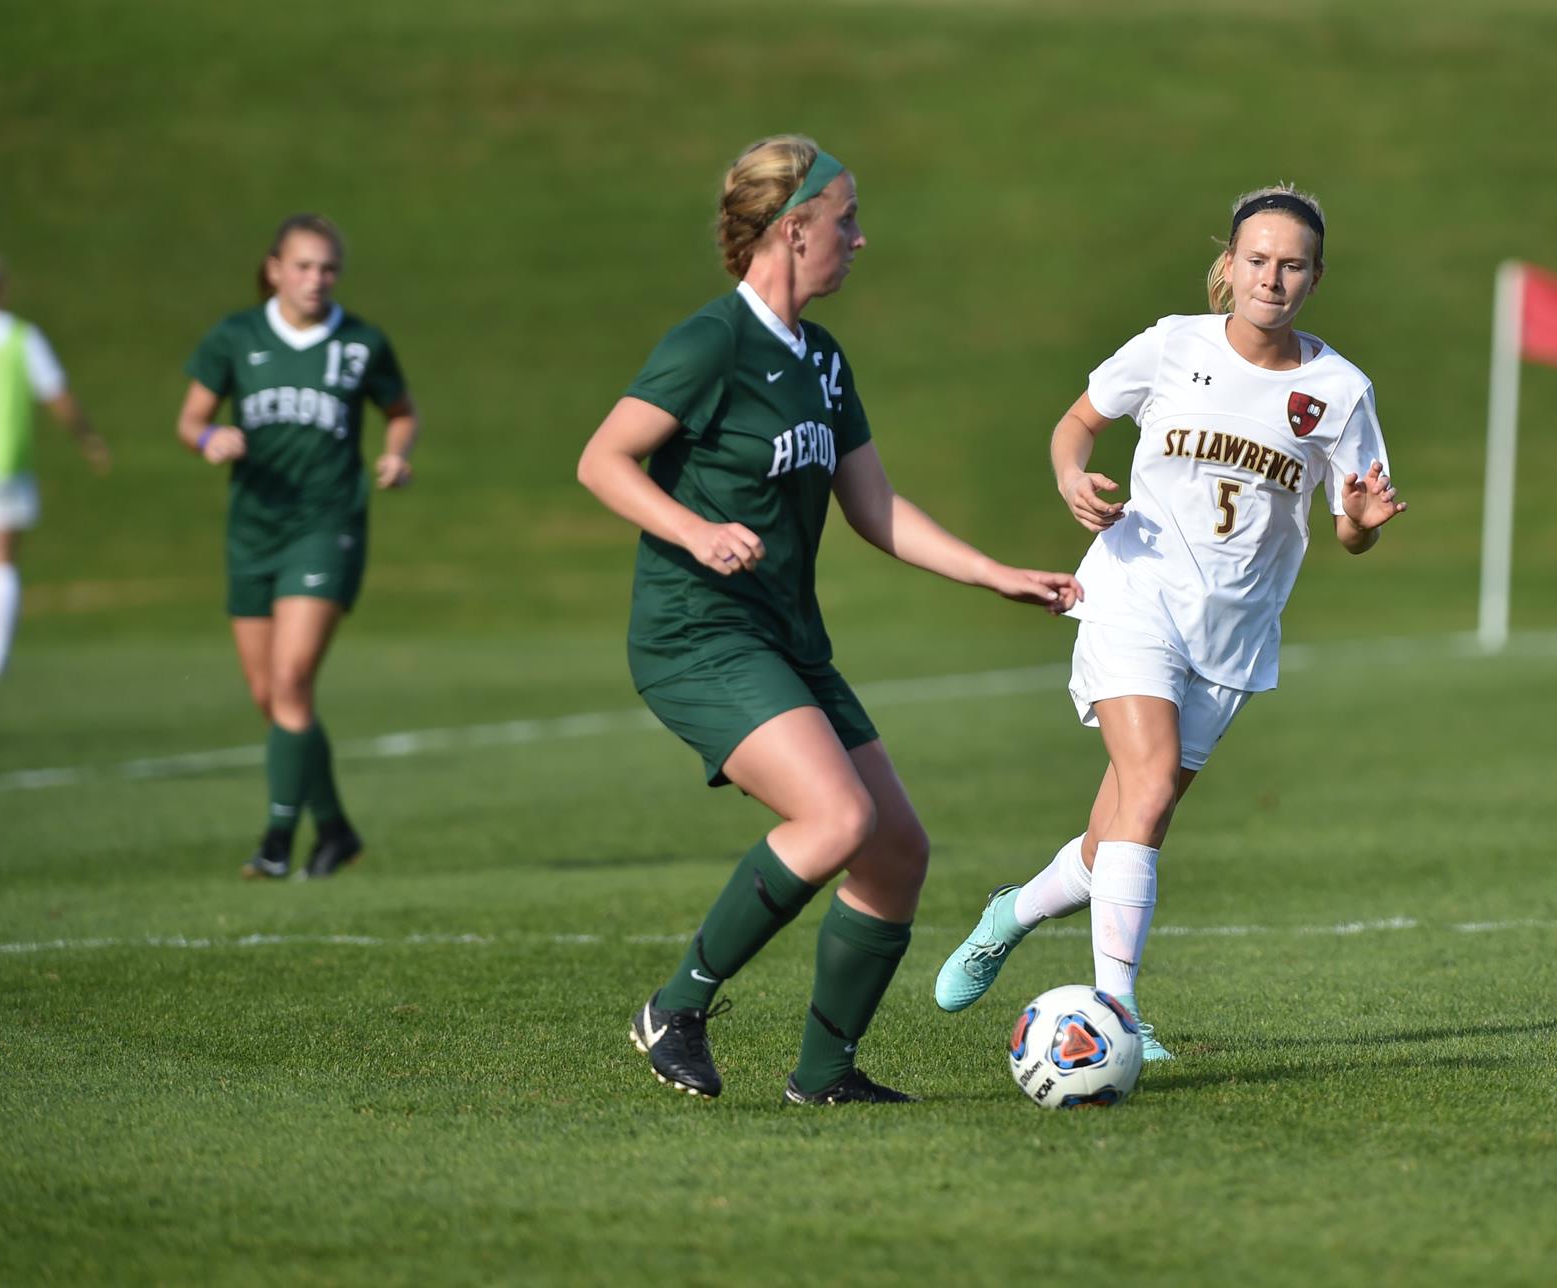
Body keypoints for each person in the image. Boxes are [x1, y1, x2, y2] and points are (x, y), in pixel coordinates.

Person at [579, 135, 1083, 1107]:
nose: (860, 236)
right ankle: (673, 1007)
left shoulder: (822, 359)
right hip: (698, 632)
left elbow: (874, 507)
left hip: (785, 639)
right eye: (845, 219)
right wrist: (694, 529)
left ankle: (823, 1073)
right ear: (791, 228)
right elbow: (602, 460)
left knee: (896, 849)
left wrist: (992, 573)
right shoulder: (712, 341)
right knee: (837, 816)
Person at [931, 184, 1406, 1062]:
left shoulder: (1340, 390)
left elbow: (1349, 527)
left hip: (1232, 633)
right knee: (1145, 793)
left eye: (1293, 264)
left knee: (1125, 827)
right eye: (1257, 260)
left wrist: (1360, 527)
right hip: (1133, 590)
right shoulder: (1172, 344)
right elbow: (1076, 426)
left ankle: (1009, 914)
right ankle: (1117, 1015)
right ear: (1229, 266)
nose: (1273, 278)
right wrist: (1072, 477)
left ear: (1316, 277)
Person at [177, 215, 420, 879]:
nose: (316, 280)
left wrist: (396, 456)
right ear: (275, 268)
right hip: (253, 530)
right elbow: (190, 418)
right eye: (304, 266)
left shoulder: (361, 343)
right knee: (271, 697)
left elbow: (400, 412)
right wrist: (209, 440)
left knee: (290, 682)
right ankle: (337, 830)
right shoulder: (236, 337)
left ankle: (279, 839)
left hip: (326, 527)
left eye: (328, 268)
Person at [0, 254, 109, 683]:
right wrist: (88, 438)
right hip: (4, 460)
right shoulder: (22, 337)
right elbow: (56, 394)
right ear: (0, 288)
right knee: (1, 554)